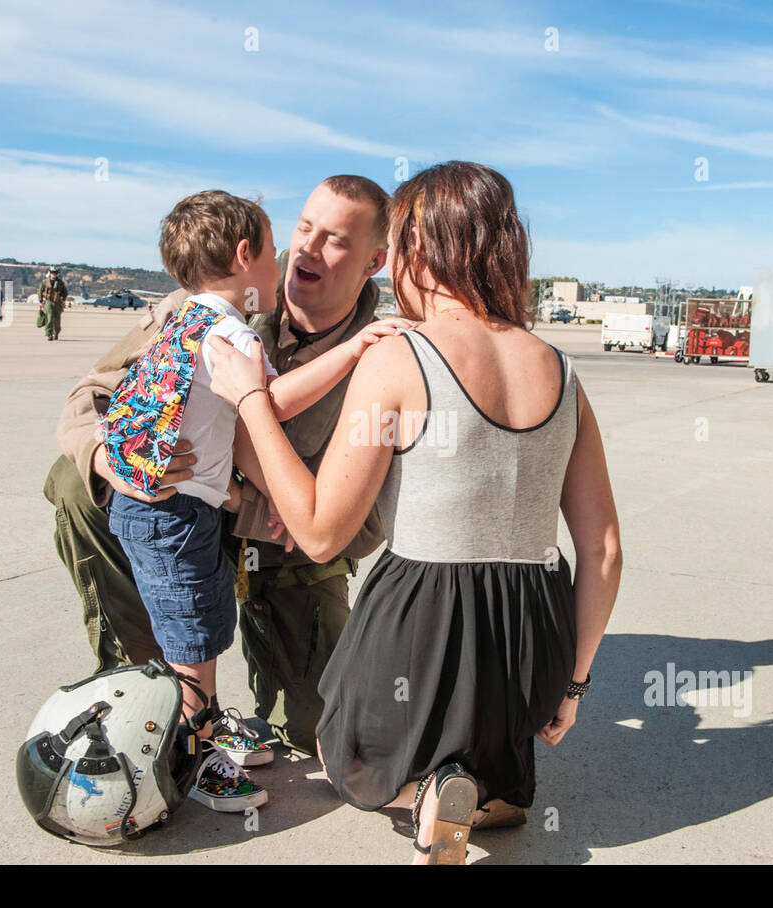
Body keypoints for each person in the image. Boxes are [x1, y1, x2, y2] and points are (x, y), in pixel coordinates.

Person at [206, 161, 622, 863]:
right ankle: (478, 784)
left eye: (395, 247)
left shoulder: (402, 357)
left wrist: (251, 398)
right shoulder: (565, 372)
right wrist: (572, 683)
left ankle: (429, 792)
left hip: (420, 620)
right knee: (503, 775)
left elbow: (318, 529)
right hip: (534, 647)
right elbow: (604, 549)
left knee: (342, 754)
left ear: (423, 249)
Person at [44, 175, 393, 756]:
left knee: (317, 731)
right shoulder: (209, 305)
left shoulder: (383, 351)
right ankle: (151, 701)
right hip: (184, 511)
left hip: (290, 544)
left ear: (374, 261)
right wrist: (112, 458)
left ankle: (240, 688)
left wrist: (249, 505)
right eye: (303, 228)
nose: (306, 248)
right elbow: (90, 396)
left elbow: (370, 515)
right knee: (76, 485)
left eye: (334, 240)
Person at [39, 268, 67, 341]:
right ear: (50, 273)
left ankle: (56, 333)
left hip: (57, 303)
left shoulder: (60, 283)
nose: (53, 274)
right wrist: (41, 301)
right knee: (49, 318)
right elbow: (40, 291)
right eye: (52, 273)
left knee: (57, 320)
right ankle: (49, 334)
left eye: (55, 273)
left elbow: (65, 292)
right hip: (48, 302)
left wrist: (63, 300)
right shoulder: (45, 282)